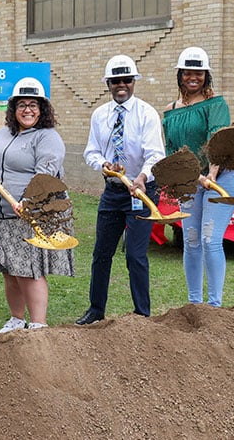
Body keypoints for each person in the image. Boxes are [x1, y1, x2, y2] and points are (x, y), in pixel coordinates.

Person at [0, 77, 75, 333]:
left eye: (33, 104)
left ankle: (39, 325)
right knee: (9, 269)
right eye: (21, 104)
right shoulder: (3, 132)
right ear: (13, 108)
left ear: (42, 109)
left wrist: (28, 203)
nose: (27, 110)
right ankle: (17, 319)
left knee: (28, 271)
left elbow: (45, 178)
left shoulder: (47, 138)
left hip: (28, 216)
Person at [77, 55, 165, 325]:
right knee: (102, 252)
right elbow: (90, 151)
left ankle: (142, 314)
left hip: (141, 191)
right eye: (116, 81)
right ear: (108, 83)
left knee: (136, 255)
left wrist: (141, 177)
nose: (121, 85)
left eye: (127, 80)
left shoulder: (146, 113)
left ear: (134, 82)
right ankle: (95, 310)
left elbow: (156, 154)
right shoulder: (100, 115)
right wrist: (102, 164)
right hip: (114, 191)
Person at [162, 47, 234, 307]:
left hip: (221, 178)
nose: (192, 77)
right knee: (192, 240)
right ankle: (195, 304)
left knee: (210, 239)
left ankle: (214, 306)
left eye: (198, 72)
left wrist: (210, 176)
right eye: (187, 72)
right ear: (180, 75)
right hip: (190, 181)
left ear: (206, 75)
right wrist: (188, 178)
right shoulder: (170, 110)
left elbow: (217, 143)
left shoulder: (216, 104)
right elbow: (171, 149)